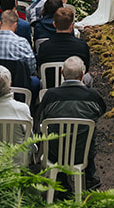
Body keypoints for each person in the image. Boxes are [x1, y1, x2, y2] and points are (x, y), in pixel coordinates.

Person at [34, 56, 108, 190]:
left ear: (62, 73)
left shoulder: (50, 95)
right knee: (88, 137)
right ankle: (89, 180)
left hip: (55, 152)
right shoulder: (92, 96)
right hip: (83, 152)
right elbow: (101, 111)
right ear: (82, 75)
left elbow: (40, 117)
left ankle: (62, 182)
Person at [0, 8, 39, 92]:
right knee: (36, 82)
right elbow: (31, 67)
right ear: (15, 25)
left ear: (0, 23)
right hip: (19, 87)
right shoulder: (22, 43)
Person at [38, 5, 91, 80]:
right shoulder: (82, 46)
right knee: (88, 78)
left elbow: (39, 69)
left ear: (54, 24)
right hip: (76, 85)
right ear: (72, 25)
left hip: (50, 86)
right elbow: (85, 69)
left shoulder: (44, 47)